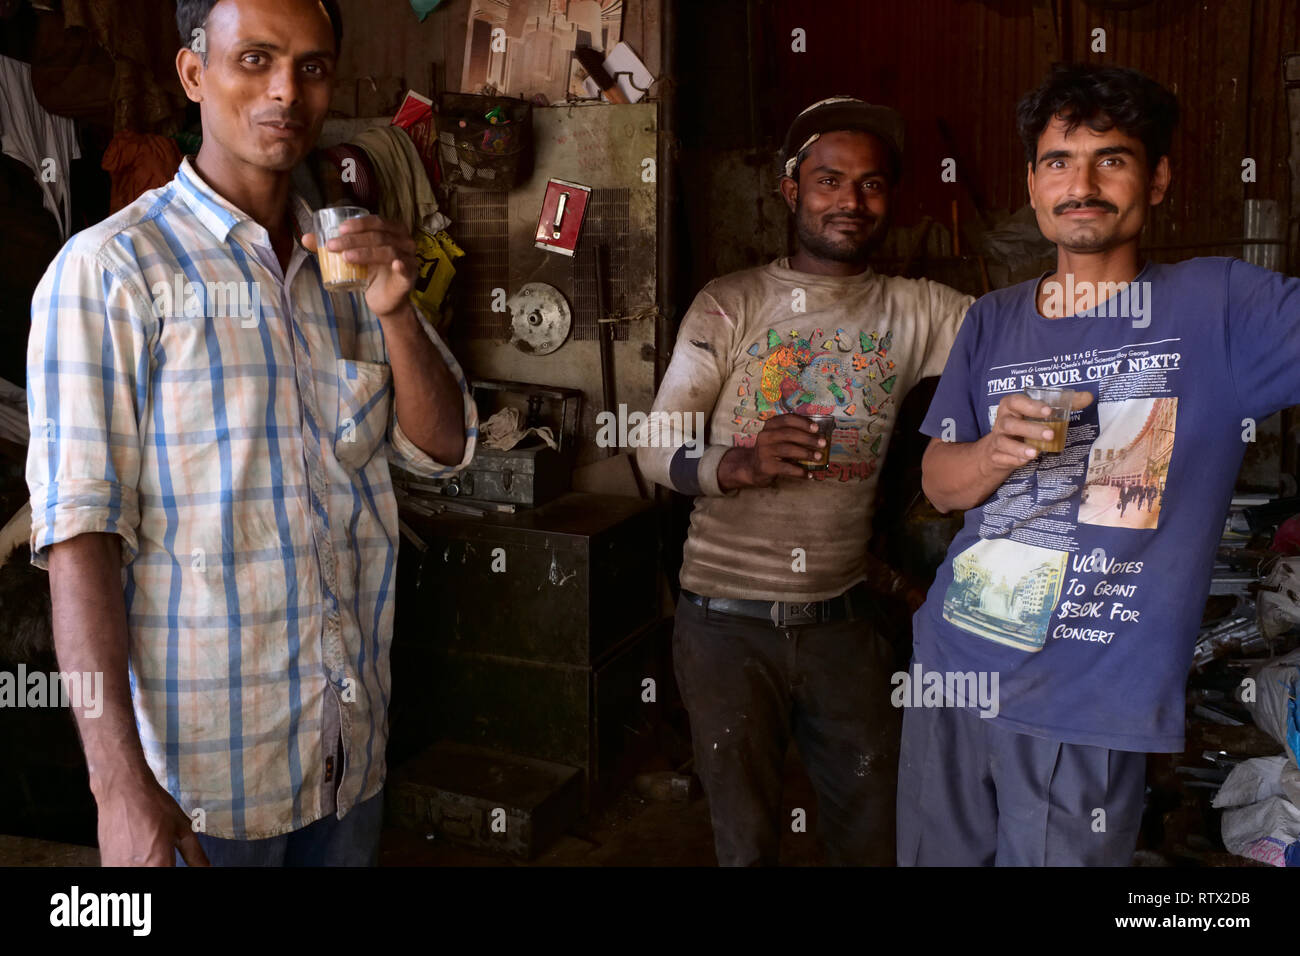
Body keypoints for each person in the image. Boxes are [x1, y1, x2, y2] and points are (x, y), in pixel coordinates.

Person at [25, 0, 477, 866]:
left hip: (349, 762)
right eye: (255, 60)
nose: (285, 92)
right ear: (194, 74)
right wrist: (119, 791)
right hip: (204, 789)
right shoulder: (112, 272)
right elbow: (80, 538)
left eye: (311, 67)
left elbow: (445, 450)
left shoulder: (348, 262)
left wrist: (396, 317)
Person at [900, 62, 1300, 866]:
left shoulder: (1221, 306)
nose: (1080, 183)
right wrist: (994, 451)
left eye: (1110, 159)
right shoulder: (992, 318)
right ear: (1034, 183)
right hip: (951, 666)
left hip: (1086, 696)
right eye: (1058, 161)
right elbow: (940, 485)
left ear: (1157, 180)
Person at [637, 96, 972, 865]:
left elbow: (1019, 340)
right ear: (791, 190)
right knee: (747, 840)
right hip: (725, 627)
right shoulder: (731, 303)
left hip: (843, 626)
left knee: (872, 829)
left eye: (872, 185)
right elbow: (655, 447)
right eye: (829, 181)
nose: (850, 202)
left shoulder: (916, 310)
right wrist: (736, 463)